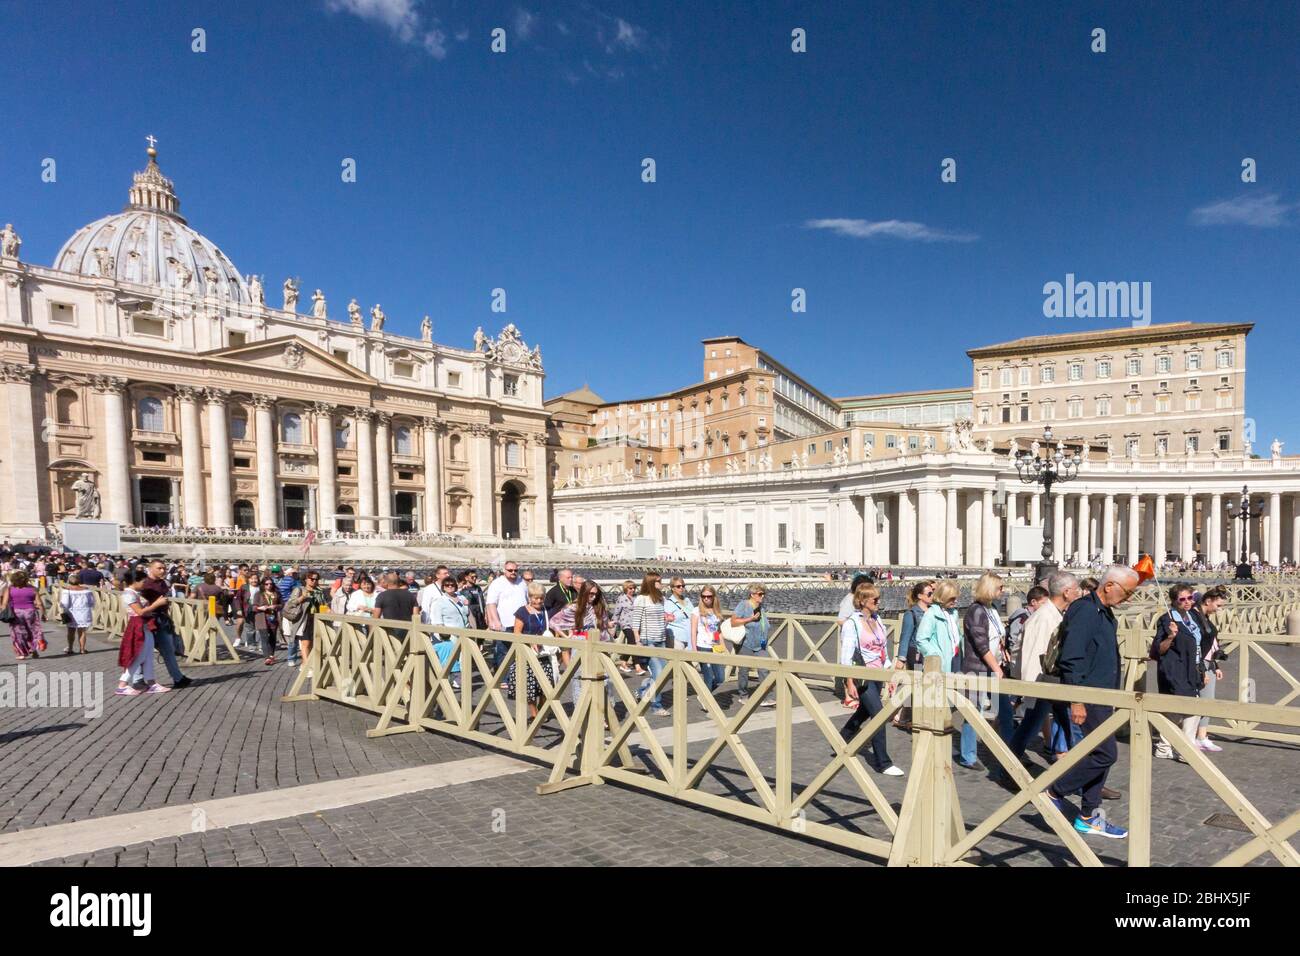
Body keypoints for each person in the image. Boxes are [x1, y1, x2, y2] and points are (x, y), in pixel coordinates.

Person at [1047, 564, 1139, 839]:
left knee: (1099, 755)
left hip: (1102, 695)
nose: (1129, 598)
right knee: (1106, 753)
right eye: (1127, 592)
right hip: (1088, 696)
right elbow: (1072, 658)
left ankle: (1088, 815)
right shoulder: (1086, 610)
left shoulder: (1104, 612)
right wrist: (1077, 700)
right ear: (1109, 585)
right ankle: (1054, 791)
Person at [1009, 573, 1081, 762]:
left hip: (1052, 683)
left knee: (1042, 725)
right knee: (1031, 727)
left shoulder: (1054, 614)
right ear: (1066, 592)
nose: (1080, 592)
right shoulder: (1044, 618)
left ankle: (1082, 777)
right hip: (1043, 684)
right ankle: (1008, 769)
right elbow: (1033, 654)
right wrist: (1031, 690)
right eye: (1077, 589)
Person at [839, 583, 903, 775]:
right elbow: (846, 656)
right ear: (863, 601)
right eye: (875, 599)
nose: (878, 602)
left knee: (864, 713)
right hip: (862, 676)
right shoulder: (852, 623)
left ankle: (840, 739)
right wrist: (850, 681)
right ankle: (883, 762)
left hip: (878, 674)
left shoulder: (878, 619)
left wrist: (889, 671)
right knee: (879, 715)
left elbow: (882, 649)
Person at [957, 572, 1014, 770]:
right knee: (974, 713)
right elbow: (981, 646)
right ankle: (968, 756)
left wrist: (1004, 657)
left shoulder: (992, 609)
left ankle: (1010, 752)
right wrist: (997, 667)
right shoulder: (976, 611)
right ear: (990, 588)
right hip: (978, 669)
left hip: (993, 666)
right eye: (1000, 587)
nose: (1003, 590)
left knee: (1005, 711)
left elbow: (997, 637)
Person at [1151, 584, 1208, 761]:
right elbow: (1158, 650)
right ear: (1174, 602)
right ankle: (1186, 748)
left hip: (1192, 669)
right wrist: (1171, 636)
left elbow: (1198, 645)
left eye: (1190, 598)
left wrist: (1203, 669)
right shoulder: (1166, 620)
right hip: (1175, 670)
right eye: (1182, 599)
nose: (1187, 602)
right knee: (1192, 707)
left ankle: (1163, 746)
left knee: (1175, 710)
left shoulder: (1193, 616)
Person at [138, 560, 191, 688]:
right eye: (159, 568)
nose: (163, 570)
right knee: (142, 651)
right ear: (150, 569)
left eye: (164, 568)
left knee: (168, 650)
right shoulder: (144, 584)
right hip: (148, 620)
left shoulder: (163, 582)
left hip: (162, 620)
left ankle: (178, 678)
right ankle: (138, 679)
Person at [117, 569, 167, 695]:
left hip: (145, 625)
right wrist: (156, 604)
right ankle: (122, 685)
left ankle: (151, 683)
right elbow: (140, 612)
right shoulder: (129, 594)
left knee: (148, 656)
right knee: (138, 656)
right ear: (135, 581)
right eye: (143, 582)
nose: (145, 584)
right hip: (138, 625)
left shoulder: (134, 592)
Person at [509, 582, 554, 719]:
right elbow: (516, 633)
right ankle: (535, 713)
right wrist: (530, 640)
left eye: (541, 598)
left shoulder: (546, 611)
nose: (538, 601)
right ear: (529, 597)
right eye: (535, 598)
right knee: (530, 686)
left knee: (548, 684)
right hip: (527, 653)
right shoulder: (522, 611)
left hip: (544, 652)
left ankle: (542, 708)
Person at [1193, 586, 1229, 751]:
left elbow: (1212, 643)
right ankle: (1194, 736)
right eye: (1218, 605)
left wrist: (1216, 665)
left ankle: (1201, 736)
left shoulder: (1205, 617)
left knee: (1208, 700)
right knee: (1200, 701)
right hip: (1199, 665)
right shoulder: (1195, 617)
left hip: (1209, 664)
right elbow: (1197, 645)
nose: (1219, 609)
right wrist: (1201, 670)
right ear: (1208, 601)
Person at [632, 572, 671, 716]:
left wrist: (667, 619)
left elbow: (661, 618)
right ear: (651, 583)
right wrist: (637, 640)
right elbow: (636, 621)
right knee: (659, 673)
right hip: (648, 641)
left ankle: (643, 690)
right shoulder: (641, 599)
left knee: (665, 672)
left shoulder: (661, 598)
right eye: (659, 581)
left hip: (661, 639)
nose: (661, 583)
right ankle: (657, 705)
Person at [732, 584, 773, 707]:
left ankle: (768, 697)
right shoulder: (743, 605)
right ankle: (743, 694)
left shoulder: (761, 607)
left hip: (761, 644)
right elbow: (734, 621)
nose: (762, 596)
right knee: (744, 671)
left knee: (764, 669)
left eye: (763, 594)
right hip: (746, 643)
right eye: (760, 594)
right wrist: (750, 619)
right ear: (752, 594)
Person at [485, 561, 529, 673]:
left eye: (515, 570)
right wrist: (495, 621)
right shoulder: (497, 583)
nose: (513, 572)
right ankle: (503, 677)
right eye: (510, 570)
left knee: (520, 651)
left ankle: (517, 675)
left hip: (521, 623)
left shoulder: (522, 582)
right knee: (503, 651)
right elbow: (491, 604)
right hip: (505, 623)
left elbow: (527, 601)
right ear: (504, 570)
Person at [911, 580, 961, 670]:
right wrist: (935, 655)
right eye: (952, 598)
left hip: (956, 658)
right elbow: (921, 639)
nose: (956, 601)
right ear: (943, 597)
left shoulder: (954, 613)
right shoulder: (931, 614)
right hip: (941, 663)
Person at [690, 585, 726, 707]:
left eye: (709, 596)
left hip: (715, 646)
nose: (706, 599)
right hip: (703, 646)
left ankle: (703, 694)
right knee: (709, 676)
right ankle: (706, 700)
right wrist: (694, 649)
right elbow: (693, 631)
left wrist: (723, 647)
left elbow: (717, 631)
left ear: (713, 597)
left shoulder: (716, 611)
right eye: (704, 596)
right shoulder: (696, 611)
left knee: (721, 678)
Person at [283, 570, 326, 668]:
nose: (314, 581)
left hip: (316, 619)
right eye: (312, 579)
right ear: (306, 579)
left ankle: (304, 663)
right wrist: (302, 597)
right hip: (304, 619)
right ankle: (307, 667)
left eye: (316, 579)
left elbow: (323, 604)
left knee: (312, 643)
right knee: (305, 643)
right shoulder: (299, 589)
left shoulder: (319, 591)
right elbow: (290, 604)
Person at [1005, 586, 1046, 680]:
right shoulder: (1022, 618)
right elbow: (1013, 640)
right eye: (1043, 603)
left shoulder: (1034, 617)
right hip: (1019, 662)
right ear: (1033, 602)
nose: (1045, 606)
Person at [3, 570, 44, 659]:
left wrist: (4, 612)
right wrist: (43, 614)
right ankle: (34, 650)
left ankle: (21, 653)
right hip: (31, 612)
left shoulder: (10, 588)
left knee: (18, 633)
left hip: (16, 613)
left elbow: (4, 603)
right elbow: (39, 603)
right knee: (32, 631)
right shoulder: (32, 588)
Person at [60, 570, 96, 655]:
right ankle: (82, 649)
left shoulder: (67, 591)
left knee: (71, 631)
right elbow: (91, 603)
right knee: (82, 631)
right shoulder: (87, 591)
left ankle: (70, 648)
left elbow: (64, 603)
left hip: (71, 612)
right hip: (83, 612)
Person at [611, 579, 640, 675]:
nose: (632, 590)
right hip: (626, 623)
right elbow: (617, 612)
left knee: (635, 642)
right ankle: (637, 666)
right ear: (625, 588)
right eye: (630, 588)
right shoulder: (622, 598)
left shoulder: (637, 598)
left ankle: (623, 662)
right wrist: (613, 625)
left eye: (634, 588)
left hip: (636, 624)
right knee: (632, 642)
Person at [253, 578, 282, 664]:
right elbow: (254, 606)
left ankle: (271, 654)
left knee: (272, 637)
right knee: (264, 637)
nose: (269, 585)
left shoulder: (276, 593)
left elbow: (282, 605)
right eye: (266, 584)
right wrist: (259, 608)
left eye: (270, 584)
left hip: (273, 618)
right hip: (262, 618)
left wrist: (276, 606)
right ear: (263, 585)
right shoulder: (258, 594)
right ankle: (267, 657)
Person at [232, 570, 262, 648]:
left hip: (260, 610)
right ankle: (251, 644)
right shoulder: (244, 587)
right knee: (250, 628)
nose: (254, 580)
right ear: (248, 579)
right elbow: (238, 599)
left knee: (262, 628)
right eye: (252, 578)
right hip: (248, 609)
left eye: (256, 578)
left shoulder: (261, 587)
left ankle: (261, 644)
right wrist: (239, 609)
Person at [663, 576, 694, 651]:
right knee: (678, 661)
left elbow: (694, 615)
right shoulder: (668, 603)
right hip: (677, 639)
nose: (681, 588)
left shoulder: (687, 601)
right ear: (672, 588)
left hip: (690, 638)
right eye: (678, 586)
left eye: (683, 586)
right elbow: (665, 621)